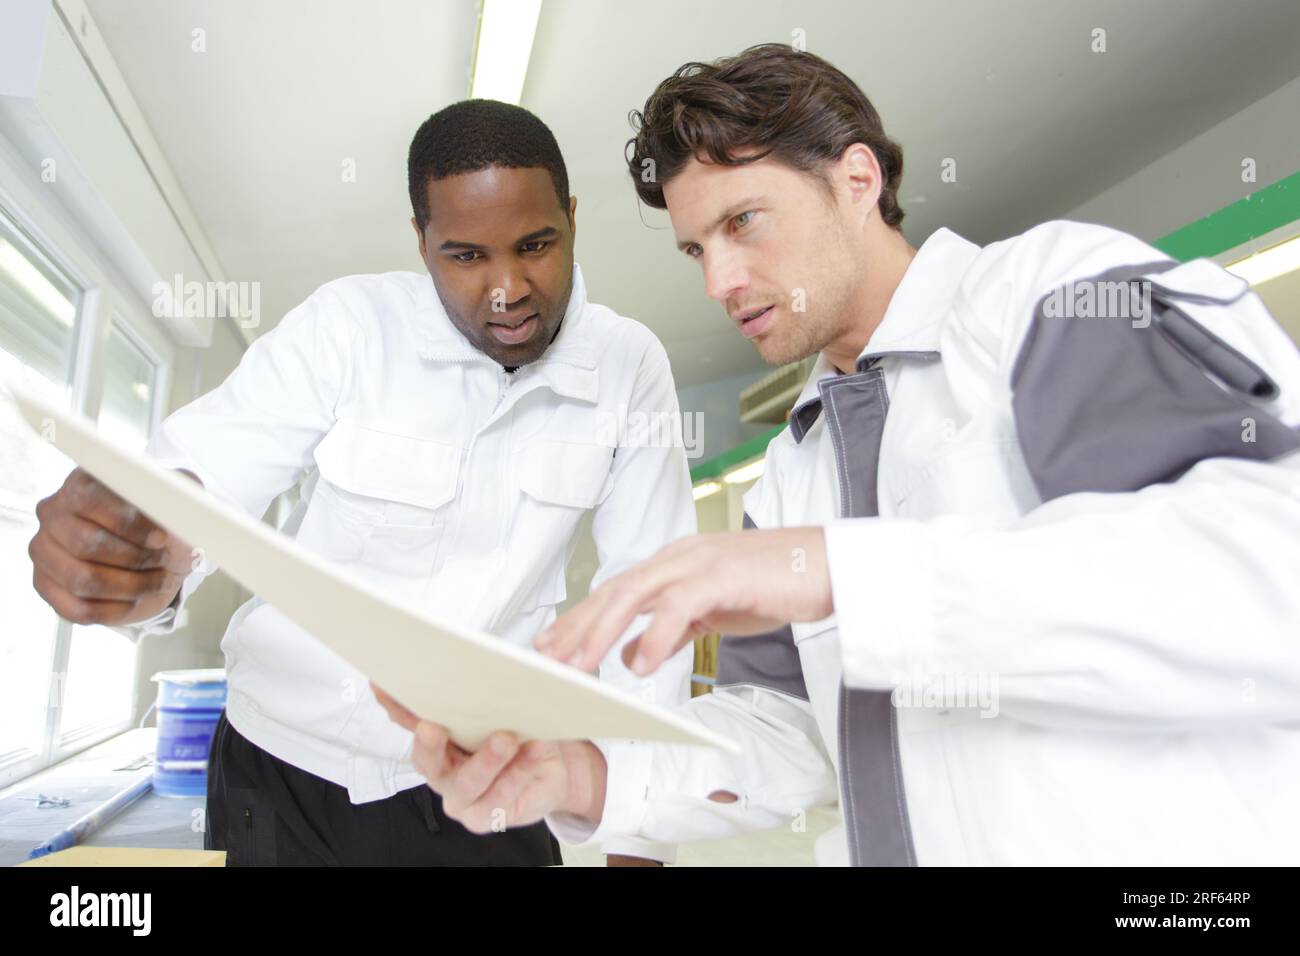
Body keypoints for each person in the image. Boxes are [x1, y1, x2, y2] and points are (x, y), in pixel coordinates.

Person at [379, 45, 1300, 866]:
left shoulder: (1047, 298)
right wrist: (580, 775)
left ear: (857, 179)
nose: (720, 281)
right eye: (697, 247)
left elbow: (1267, 574)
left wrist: (833, 570)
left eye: (745, 222)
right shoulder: (795, 470)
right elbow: (790, 734)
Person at [29, 100, 694, 866]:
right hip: (283, 767)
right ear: (422, 242)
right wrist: (140, 559)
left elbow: (651, 602)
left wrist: (639, 835)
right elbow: (204, 480)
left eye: (536, 244)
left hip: (491, 775)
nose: (508, 290)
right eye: (466, 256)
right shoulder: (348, 326)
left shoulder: (628, 365)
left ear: (572, 217)